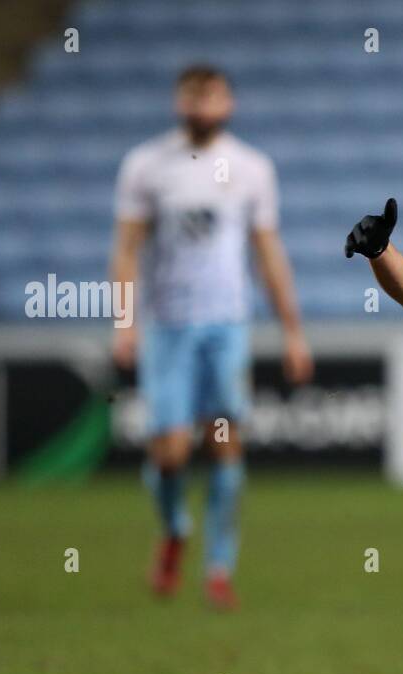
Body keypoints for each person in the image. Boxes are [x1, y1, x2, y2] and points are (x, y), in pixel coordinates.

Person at [110, 64, 312, 609]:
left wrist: (293, 332)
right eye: (192, 95)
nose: (201, 104)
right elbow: (127, 248)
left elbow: (268, 251)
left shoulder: (250, 167)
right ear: (179, 101)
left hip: (226, 326)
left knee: (224, 443)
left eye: (211, 95)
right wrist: (123, 321)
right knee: (171, 452)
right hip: (169, 326)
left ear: (228, 103)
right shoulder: (147, 165)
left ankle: (219, 568)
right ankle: (175, 527)